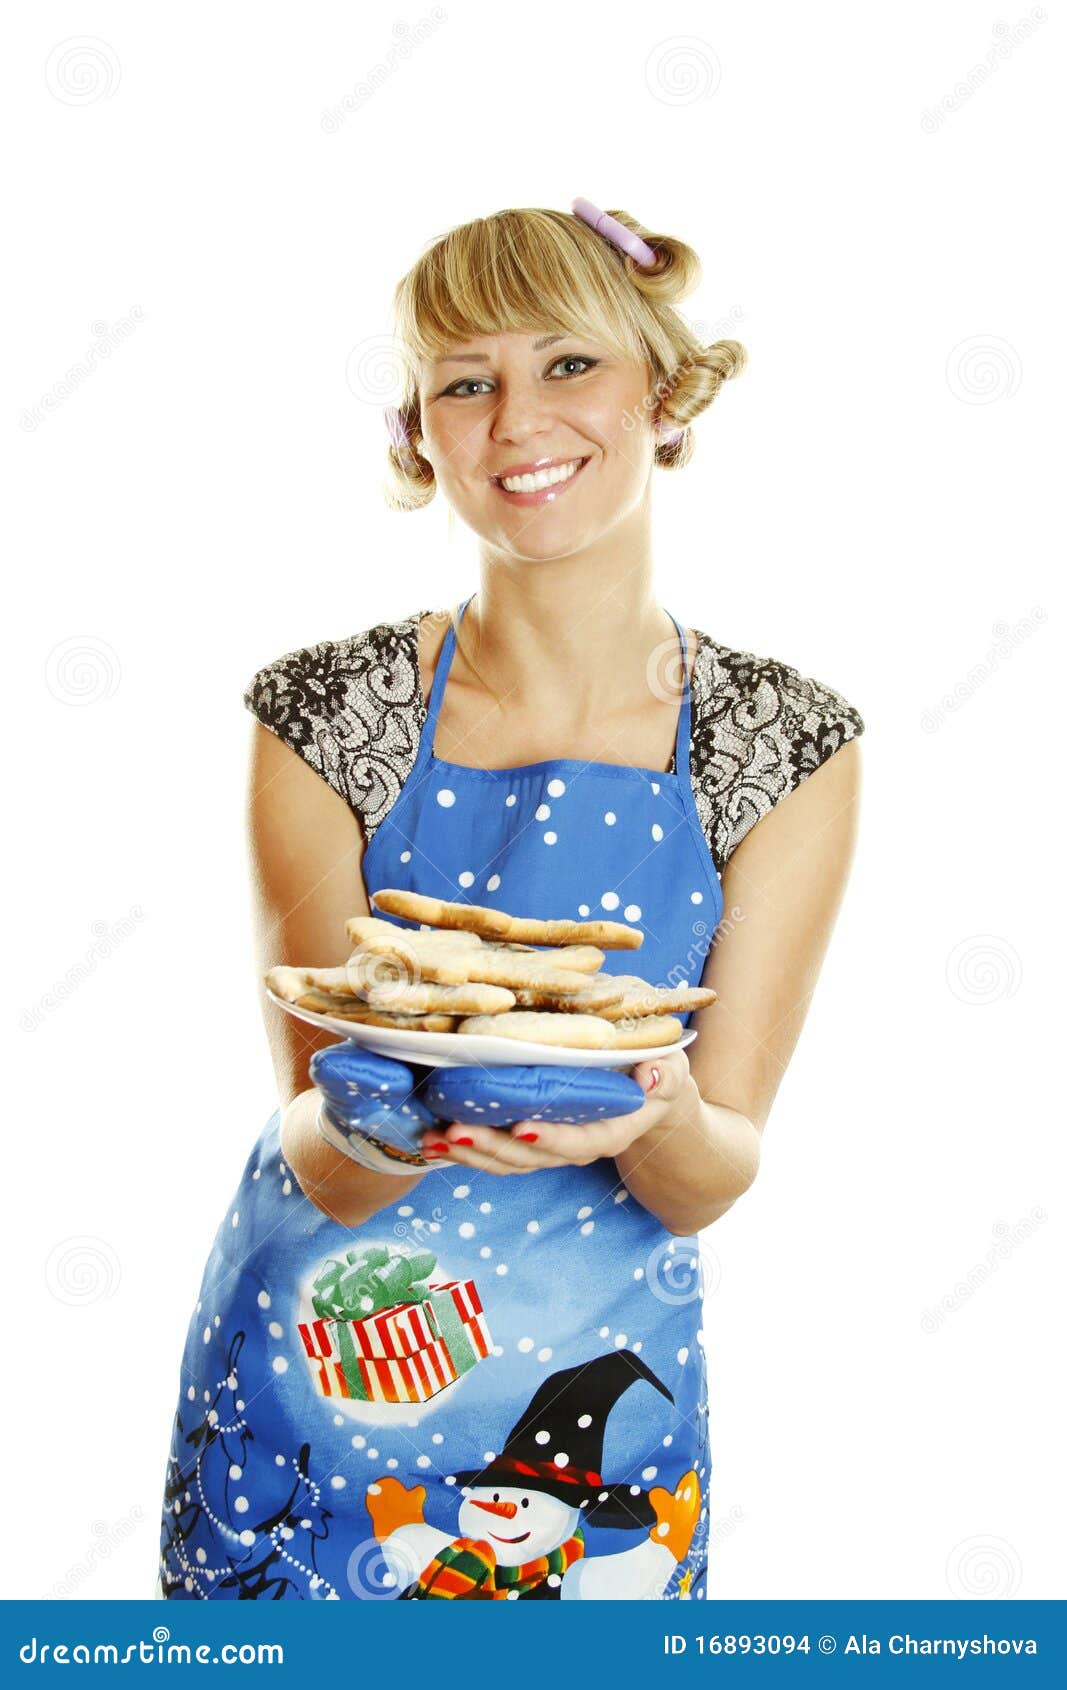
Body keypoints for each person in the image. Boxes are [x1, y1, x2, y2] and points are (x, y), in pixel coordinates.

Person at [156, 200, 864, 1601]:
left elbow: (714, 1170)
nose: (518, 419)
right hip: (324, 1359)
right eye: (464, 382)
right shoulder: (325, 712)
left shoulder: (781, 742)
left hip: (605, 1397)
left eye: (567, 364)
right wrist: (407, 1094)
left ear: (661, 390)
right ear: (421, 435)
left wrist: (651, 1107)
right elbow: (328, 1146)